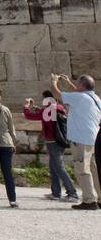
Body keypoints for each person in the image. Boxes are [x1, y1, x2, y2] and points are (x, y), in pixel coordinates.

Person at [50, 73, 101, 211]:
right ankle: (99, 197)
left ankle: (89, 200)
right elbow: (79, 94)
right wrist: (69, 83)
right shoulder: (95, 98)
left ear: (81, 85)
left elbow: (58, 94)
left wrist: (54, 82)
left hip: (81, 139)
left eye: (77, 83)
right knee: (93, 168)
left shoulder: (79, 98)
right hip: (92, 138)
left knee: (82, 169)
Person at [24, 91, 78, 202]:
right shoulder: (60, 108)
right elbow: (44, 114)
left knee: (58, 167)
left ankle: (73, 193)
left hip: (53, 142)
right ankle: (56, 193)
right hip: (60, 141)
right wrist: (34, 106)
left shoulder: (48, 111)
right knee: (54, 167)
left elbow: (30, 116)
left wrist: (26, 107)